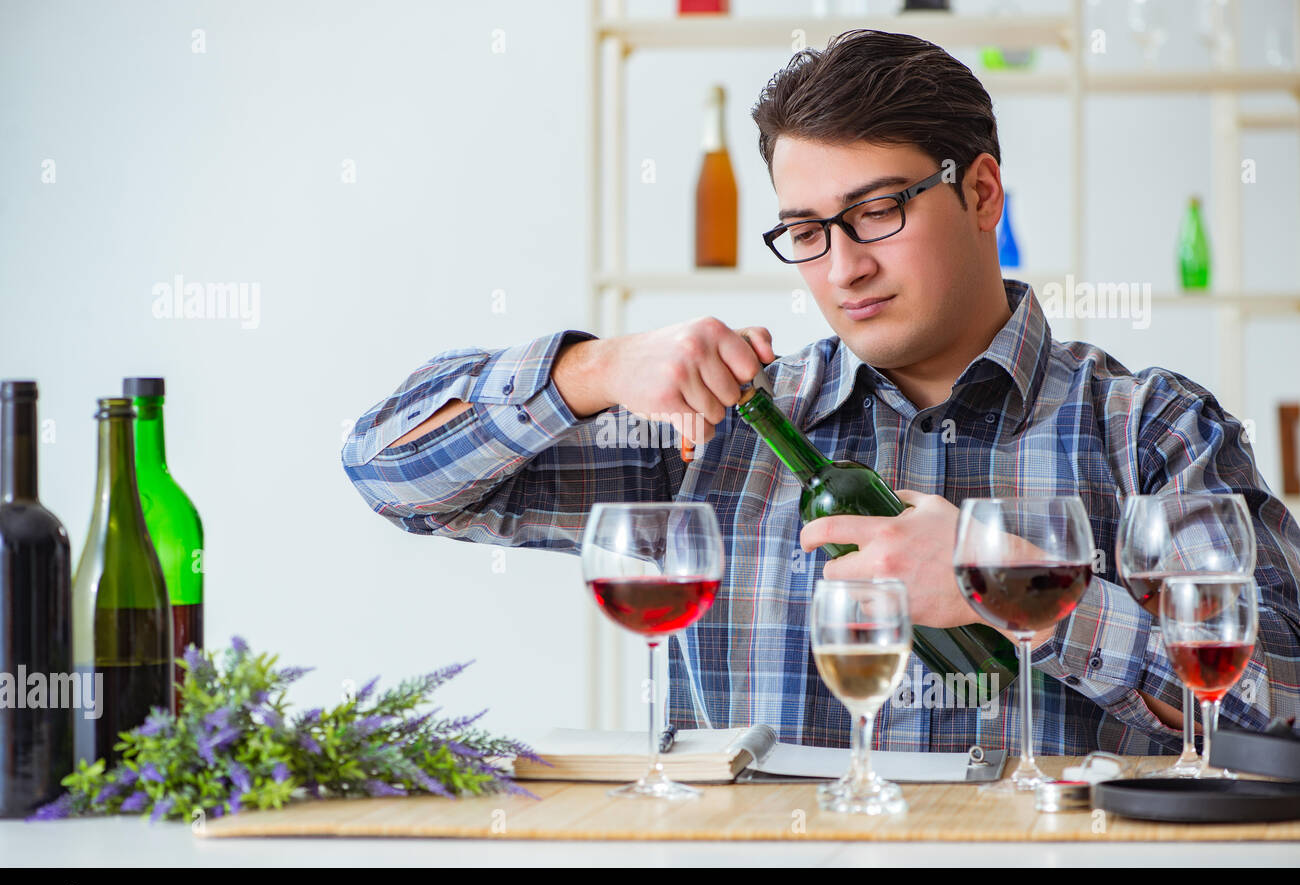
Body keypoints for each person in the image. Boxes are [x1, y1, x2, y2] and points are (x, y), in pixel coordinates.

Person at [341, 29, 1300, 752]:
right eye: (806, 229)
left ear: (981, 194)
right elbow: (391, 472)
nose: (842, 267)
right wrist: (593, 371)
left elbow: (1284, 704)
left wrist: (1011, 590)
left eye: (877, 211)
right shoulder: (720, 422)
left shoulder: (1149, 428)